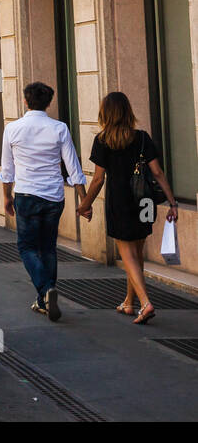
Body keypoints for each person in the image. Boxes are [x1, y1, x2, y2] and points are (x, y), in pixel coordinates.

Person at [77, 92, 180, 325]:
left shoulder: (103, 140)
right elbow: (157, 173)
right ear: (127, 111)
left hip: (120, 201)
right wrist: (172, 203)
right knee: (137, 252)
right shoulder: (142, 138)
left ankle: (145, 303)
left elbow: (98, 179)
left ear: (106, 113)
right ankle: (129, 302)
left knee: (127, 253)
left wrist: (84, 205)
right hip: (144, 201)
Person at [0, 81, 87, 322]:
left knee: (27, 247)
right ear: (49, 103)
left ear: (26, 101)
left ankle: (46, 289)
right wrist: (84, 201)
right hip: (53, 196)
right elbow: (73, 167)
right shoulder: (59, 128)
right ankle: (43, 299)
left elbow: (7, 170)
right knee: (48, 247)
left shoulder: (12, 128)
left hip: (26, 195)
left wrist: (7, 197)